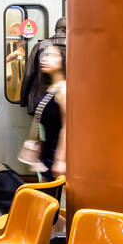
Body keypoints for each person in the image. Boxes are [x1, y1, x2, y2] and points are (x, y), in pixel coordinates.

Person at [33, 42, 68, 182]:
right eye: (45, 55)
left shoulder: (64, 90)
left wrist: (60, 160)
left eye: (53, 55)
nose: (45, 59)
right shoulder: (51, 88)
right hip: (48, 155)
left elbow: (67, 127)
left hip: (57, 157)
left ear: (64, 60)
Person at [21, 17, 68, 115]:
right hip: (68, 101)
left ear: (56, 29)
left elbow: (28, 75)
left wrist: (24, 100)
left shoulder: (40, 46)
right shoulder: (75, 46)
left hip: (41, 102)